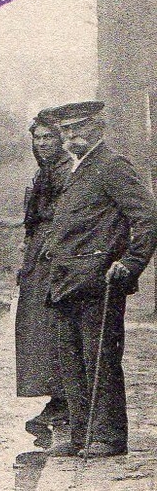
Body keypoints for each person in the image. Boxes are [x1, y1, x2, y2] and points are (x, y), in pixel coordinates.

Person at [42, 100, 157, 459]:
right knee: (72, 360)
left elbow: (147, 217)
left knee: (100, 359)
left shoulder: (112, 165)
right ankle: (81, 435)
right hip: (66, 280)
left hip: (98, 280)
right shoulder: (77, 168)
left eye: (79, 128)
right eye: (66, 130)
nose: (71, 136)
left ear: (98, 128)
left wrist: (131, 261)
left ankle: (108, 436)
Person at [18, 108, 72, 450]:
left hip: (54, 254)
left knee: (53, 325)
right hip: (39, 253)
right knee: (37, 325)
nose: (42, 143)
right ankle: (57, 396)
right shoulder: (45, 171)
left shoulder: (66, 170)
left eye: (48, 137)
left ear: (61, 138)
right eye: (37, 138)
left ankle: (64, 401)